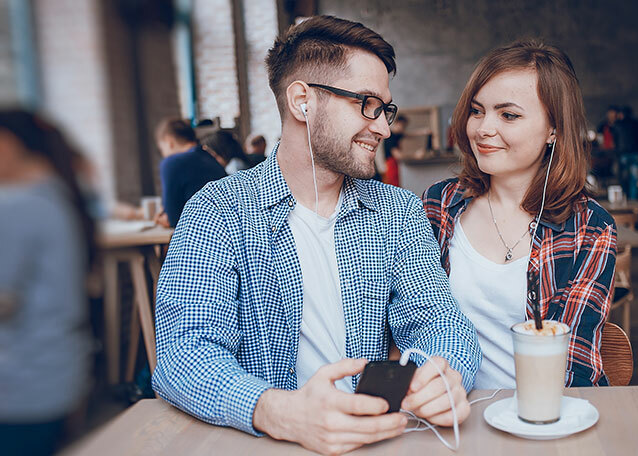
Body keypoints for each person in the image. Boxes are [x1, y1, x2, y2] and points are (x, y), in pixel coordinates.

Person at [152, 15, 481, 455]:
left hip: (377, 441)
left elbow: (443, 325)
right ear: (302, 101)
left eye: (385, 108)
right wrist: (280, 412)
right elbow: (184, 354)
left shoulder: (398, 212)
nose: (383, 127)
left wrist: (434, 377)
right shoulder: (219, 211)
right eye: (366, 103)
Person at [423, 40, 617, 389]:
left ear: (554, 129)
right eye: (477, 111)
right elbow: (416, 326)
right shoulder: (440, 204)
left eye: (508, 115)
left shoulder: (590, 226)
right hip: (452, 419)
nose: (483, 129)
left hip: (545, 420)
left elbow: (577, 361)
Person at [0, 110, 94, 455]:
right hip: (59, 377)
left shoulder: (17, 206)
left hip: (21, 386)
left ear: (7, 146)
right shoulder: (57, 194)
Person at [156, 118, 227, 227]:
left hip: (201, 237)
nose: (163, 154)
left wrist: (164, 218)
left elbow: (173, 220)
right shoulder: (212, 158)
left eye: (162, 149)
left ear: (169, 142)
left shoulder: (171, 163)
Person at [613, 106, 638, 199]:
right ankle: (633, 199)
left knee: (624, 179)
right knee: (635, 180)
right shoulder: (637, 124)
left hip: (624, 155)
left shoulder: (617, 125)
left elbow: (616, 142)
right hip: (636, 153)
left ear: (621, 114)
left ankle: (625, 198)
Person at [382, 115, 407, 186]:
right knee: (393, 185)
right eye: (402, 126)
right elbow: (397, 155)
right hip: (390, 163)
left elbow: (408, 135)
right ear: (397, 123)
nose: (403, 129)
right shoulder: (391, 136)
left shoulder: (397, 135)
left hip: (393, 163)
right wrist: (414, 155)